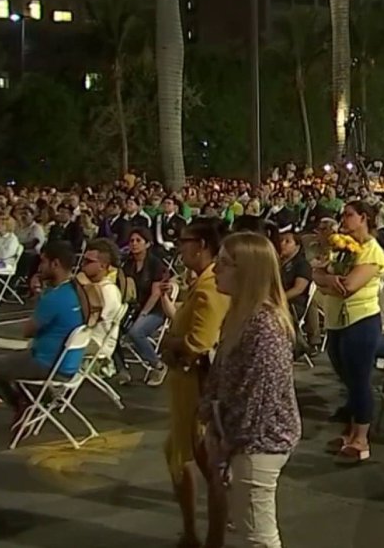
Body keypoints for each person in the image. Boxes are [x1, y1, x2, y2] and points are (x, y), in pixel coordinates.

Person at [200, 232, 300, 548]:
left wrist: (229, 444)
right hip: (239, 438)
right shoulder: (240, 316)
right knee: (249, 530)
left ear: (248, 272)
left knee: (260, 537)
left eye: (225, 264)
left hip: (258, 443)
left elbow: (260, 398)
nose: (215, 270)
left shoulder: (265, 325)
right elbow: (220, 376)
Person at [155, 218, 231, 548]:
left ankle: (206, 537)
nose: (179, 247)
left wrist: (173, 346)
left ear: (201, 246)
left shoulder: (211, 285)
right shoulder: (202, 282)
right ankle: (191, 531)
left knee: (207, 466)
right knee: (182, 455)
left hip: (196, 390)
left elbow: (199, 342)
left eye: (184, 241)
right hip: (187, 388)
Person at [0, 240, 84, 423]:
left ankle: (21, 402)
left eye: (43, 262)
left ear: (55, 264)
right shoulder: (75, 292)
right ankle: (26, 399)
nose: (40, 267)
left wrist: (39, 296)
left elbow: (28, 331)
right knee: (10, 361)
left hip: (45, 364)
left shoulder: (54, 298)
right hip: (68, 365)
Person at [312, 200, 384, 462]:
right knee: (346, 379)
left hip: (361, 320)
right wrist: (327, 279)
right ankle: (352, 429)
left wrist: (328, 281)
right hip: (336, 320)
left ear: (364, 218)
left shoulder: (371, 251)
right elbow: (318, 275)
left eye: (348, 215)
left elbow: (351, 285)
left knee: (359, 379)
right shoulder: (341, 247)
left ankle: (361, 439)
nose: (343, 220)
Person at [116, 228, 170, 386]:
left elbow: (155, 294)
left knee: (136, 331)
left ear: (147, 244)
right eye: (132, 241)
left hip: (154, 310)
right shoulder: (127, 263)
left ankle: (157, 366)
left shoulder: (155, 264)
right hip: (132, 308)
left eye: (138, 240)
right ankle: (122, 369)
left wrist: (143, 314)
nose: (134, 244)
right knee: (110, 330)